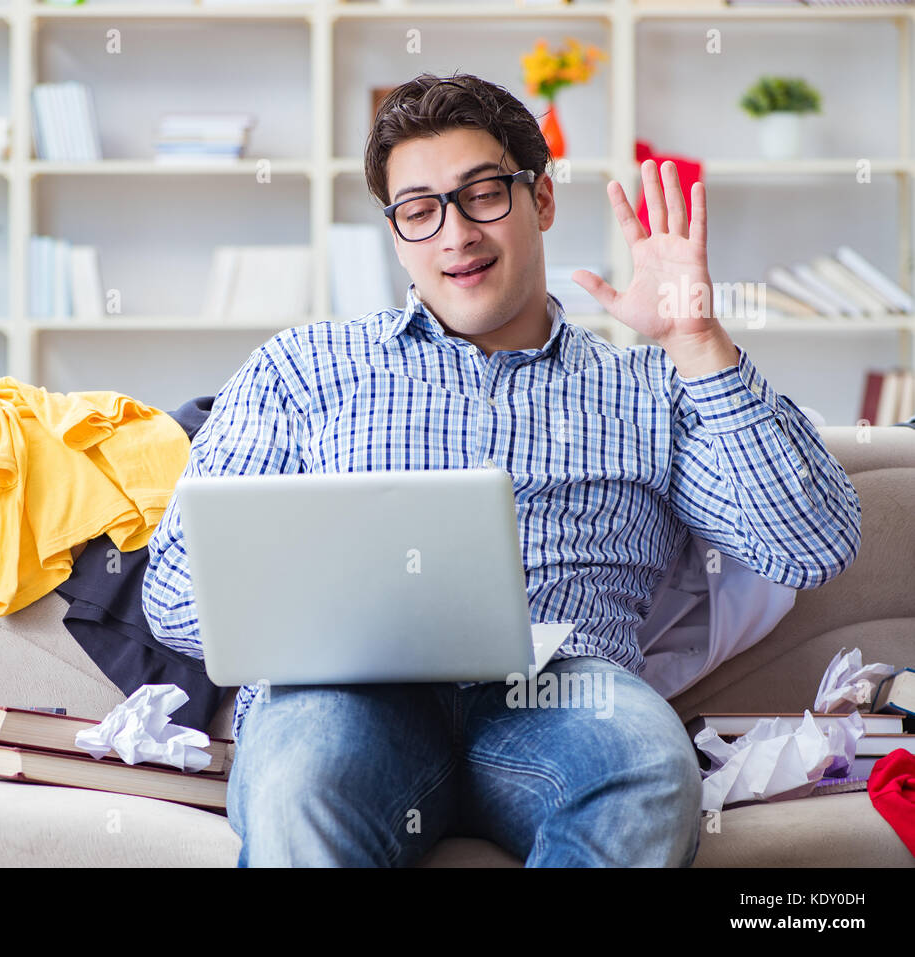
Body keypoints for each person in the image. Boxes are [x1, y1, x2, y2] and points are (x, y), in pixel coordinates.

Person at [140, 72, 862, 867]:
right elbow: (174, 594)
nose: (454, 234)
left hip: (563, 696)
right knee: (301, 775)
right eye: (419, 211)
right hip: (341, 697)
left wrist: (698, 343)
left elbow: (813, 546)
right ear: (396, 233)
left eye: (483, 194)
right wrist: (328, 618)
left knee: (648, 769)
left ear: (541, 201)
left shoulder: (647, 384)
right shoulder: (302, 368)